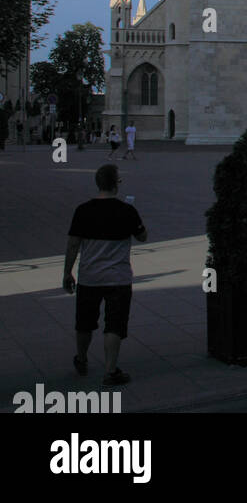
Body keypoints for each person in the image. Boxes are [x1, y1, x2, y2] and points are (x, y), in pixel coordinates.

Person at [63, 164, 147, 386]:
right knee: (114, 324)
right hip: (118, 278)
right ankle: (110, 371)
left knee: (84, 322)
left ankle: (81, 359)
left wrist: (67, 272)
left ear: (98, 184)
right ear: (116, 184)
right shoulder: (127, 211)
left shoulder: (83, 210)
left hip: (89, 277)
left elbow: (73, 245)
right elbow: (143, 237)